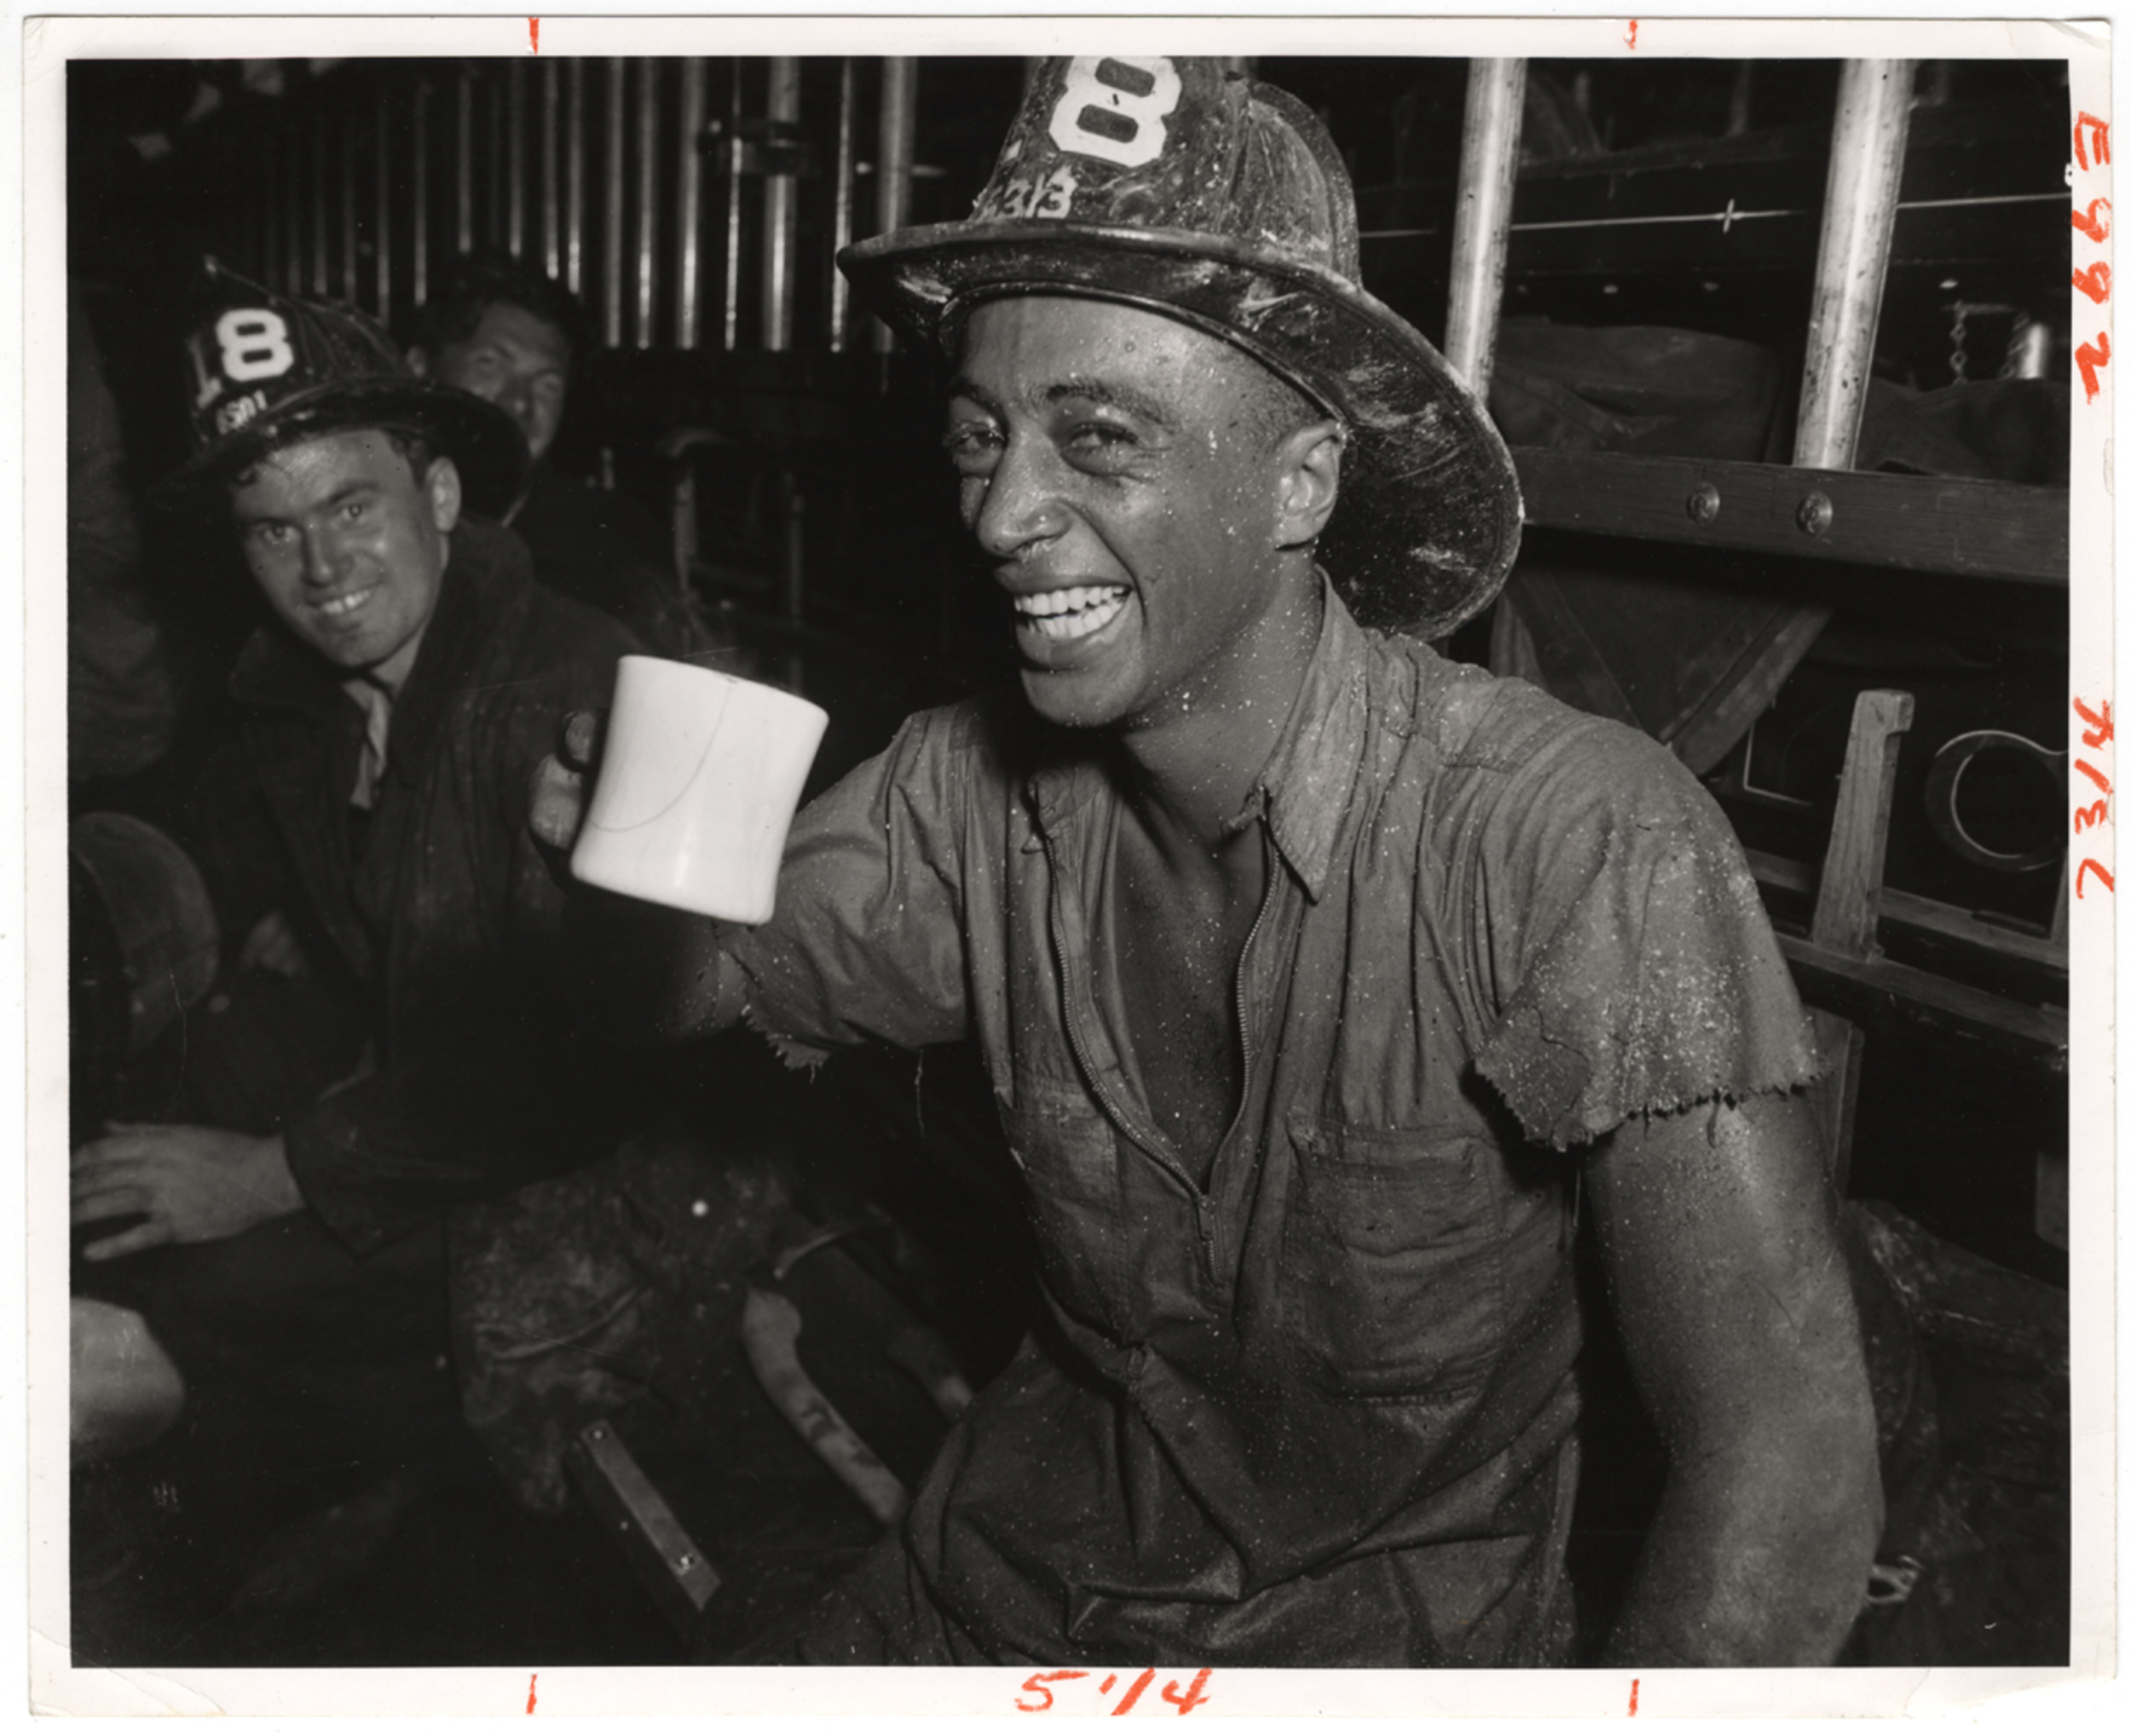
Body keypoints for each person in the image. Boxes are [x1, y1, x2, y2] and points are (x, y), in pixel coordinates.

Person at [533, 59, 1882, 1667]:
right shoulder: (968, 788)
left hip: (1378, 1652)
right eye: (978, 437)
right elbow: (689, 986)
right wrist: (606, 861)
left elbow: (1785, 1475)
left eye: (1099, 437)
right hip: (1008, 1579)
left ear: (1301, 480)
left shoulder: (1574, 840)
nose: (1003, 514)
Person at [69, 262, 650, 1549]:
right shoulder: (315, 689)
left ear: (437, 496)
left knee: (184, 1297)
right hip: (429, 1107)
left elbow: (579, 1083)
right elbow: (235, 853)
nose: (322, 565)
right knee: (153, 1119)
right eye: (271, 530)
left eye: (350, 505)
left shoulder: (563, 692)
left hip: (587, 1192)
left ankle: (298, 1504)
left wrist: (274, 1171)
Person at [408, 252, 700, 656]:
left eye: (547, 384)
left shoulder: (615, 539)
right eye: (490, 365)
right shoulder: (371, 518)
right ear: (419, 369)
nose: (521, 404)